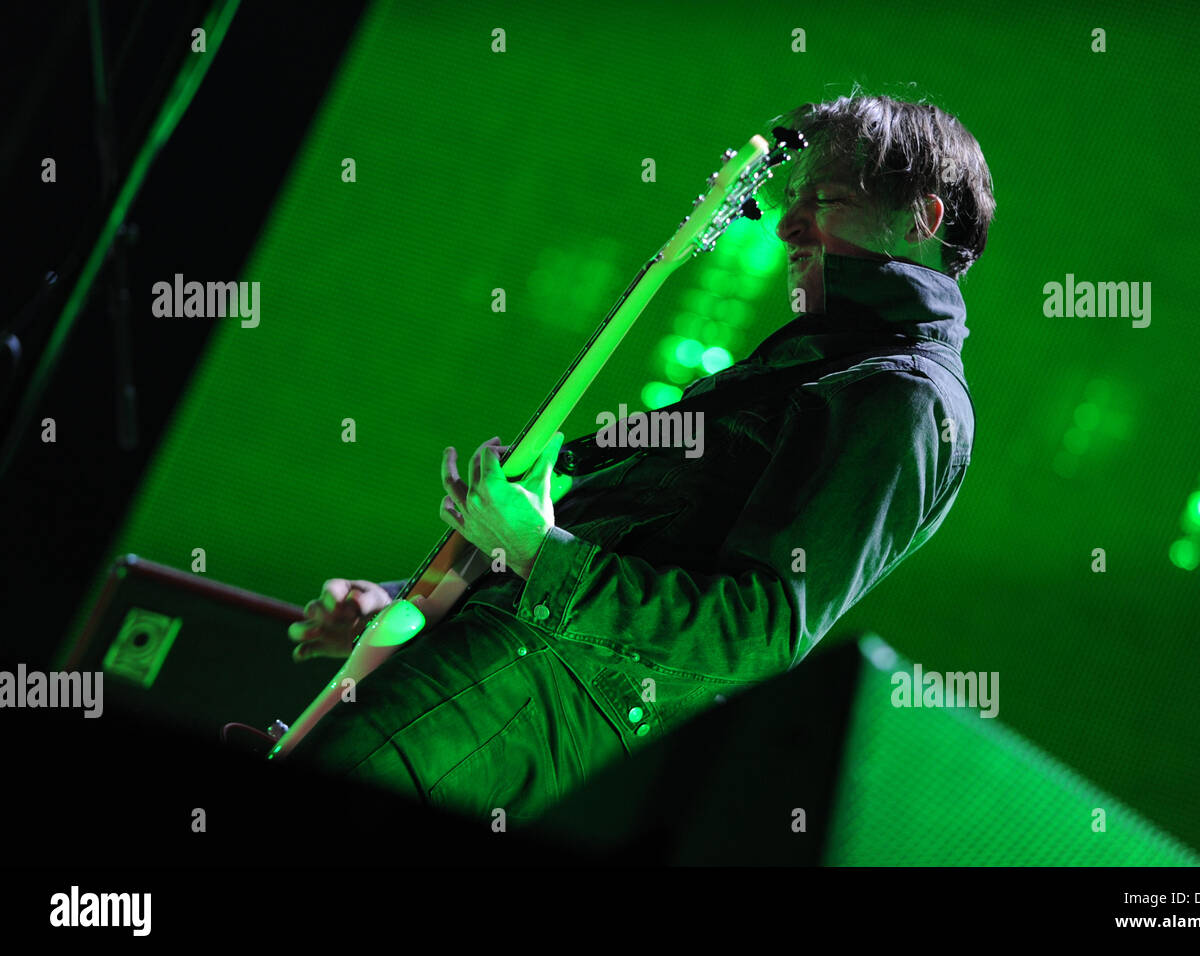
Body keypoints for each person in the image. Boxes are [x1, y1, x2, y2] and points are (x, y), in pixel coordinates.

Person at [283, 90, 995, 826]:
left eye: (824, 199)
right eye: (791, 199)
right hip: (518, 668)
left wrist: (533, 549)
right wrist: (407, 607)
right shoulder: (809, 364)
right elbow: (611, 531)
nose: (787, 225)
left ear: (923, 218)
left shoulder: (905, 398)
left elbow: (757, 629)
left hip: (549, 690)